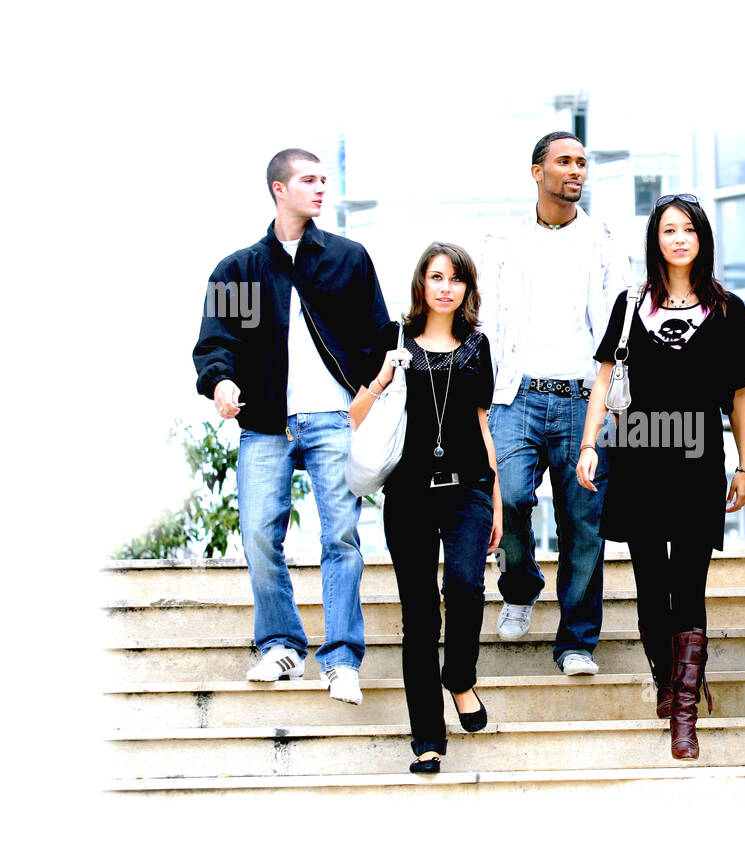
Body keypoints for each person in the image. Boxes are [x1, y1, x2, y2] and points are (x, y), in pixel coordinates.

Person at [193, 148, 389, 705]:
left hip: (333, 420)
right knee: (258, 534)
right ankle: (280, 645)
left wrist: (366, 395)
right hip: (266, 424)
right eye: (308, 180)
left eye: (324, 180)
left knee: (341, 537)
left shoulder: (348, 259)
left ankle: (342, 659)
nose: (320, 188)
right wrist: (221, 383)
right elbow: (215, 344)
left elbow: (378, 336)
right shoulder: (239, 270)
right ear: (280, 189)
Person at [577, 194, 745, 760]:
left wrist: (743, 463)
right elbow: (603, 381)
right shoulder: (630, 304)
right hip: (637, 450)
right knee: (648, 587)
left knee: (688, 584)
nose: (679, 238)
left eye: (689, 229)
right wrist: (589, 446)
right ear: (655, 239)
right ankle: (667, 679)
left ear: (702, 238)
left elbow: (738, 394)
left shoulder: (727, 309)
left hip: (697, 455)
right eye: (669, 230)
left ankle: (683, 714)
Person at [478, 131, 631, 675]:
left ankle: (576, 643)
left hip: (581, 400)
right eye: (565, 161)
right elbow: (487, 323)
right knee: (512, 499)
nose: (577, 171)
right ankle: (520, 585)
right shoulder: (502, 241)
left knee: (583, 523)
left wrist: (612, 404)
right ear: (537, 170)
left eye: (583, 163)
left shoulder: (606, 241)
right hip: (515, 395)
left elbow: (620, 328)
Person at [351, 242, 502, 773]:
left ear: (466, 288)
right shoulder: (390, 341)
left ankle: (460, 676)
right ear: (421, 283)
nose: (445, 287)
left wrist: (497, 503)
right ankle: (428, 740)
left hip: (468, 489)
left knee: (464, 585)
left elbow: (483, 424)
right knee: (418, 617)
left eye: (456, 279)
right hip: (409, 494)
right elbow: (355, 417)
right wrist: (383, 378)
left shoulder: (478, 347)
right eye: (436, 276)